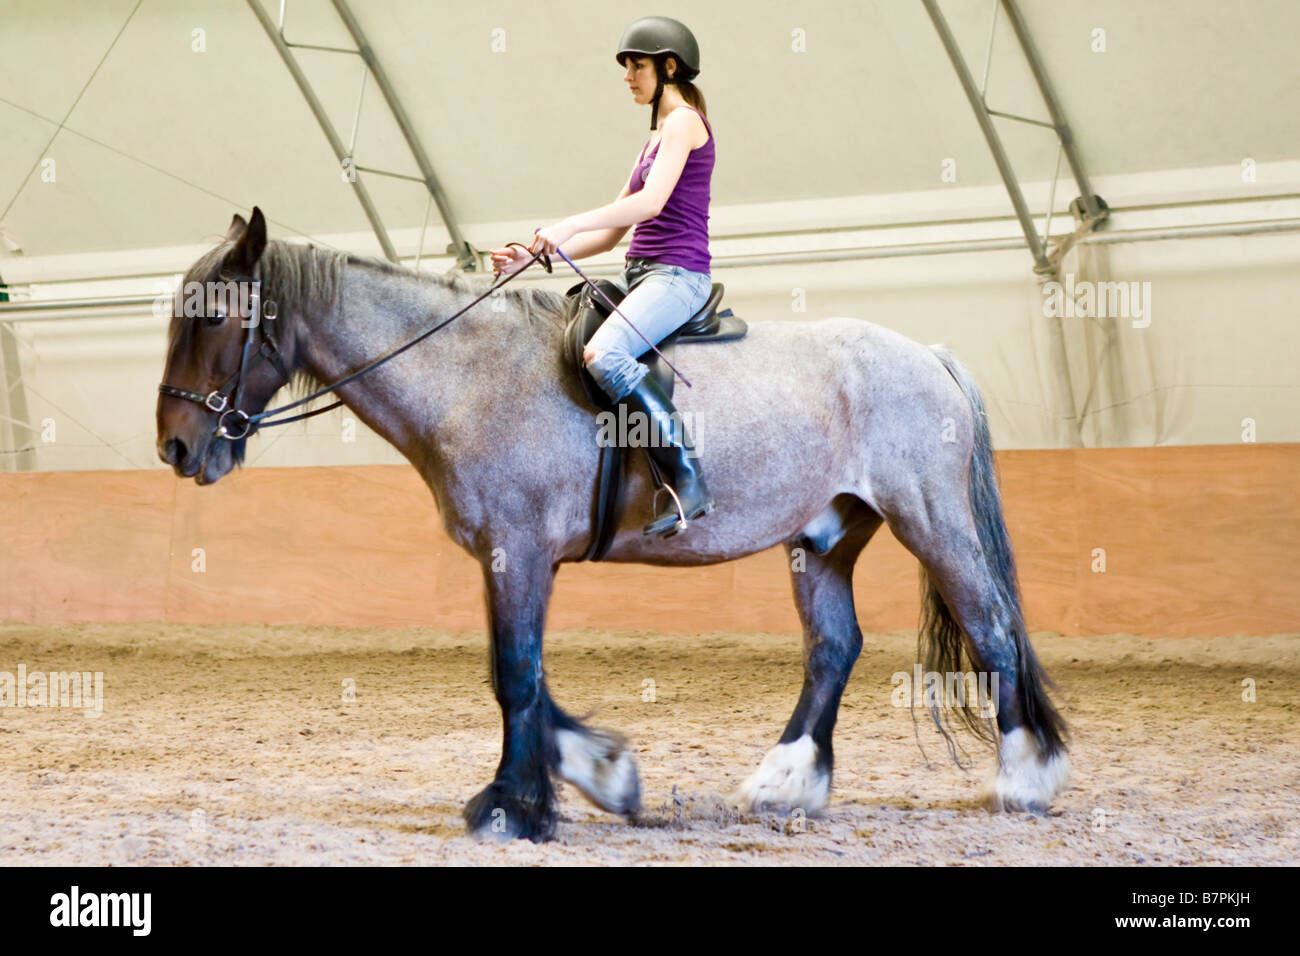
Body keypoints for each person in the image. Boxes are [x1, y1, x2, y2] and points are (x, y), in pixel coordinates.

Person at [490, 16, 716, 539]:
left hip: (678, 276)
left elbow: (650, 203)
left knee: (604, 353)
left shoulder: (683, 121)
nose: (628, 76)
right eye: (627, 67)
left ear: (669, 67)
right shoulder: (653, 140)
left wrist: (569, 223)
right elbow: (614, 232)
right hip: (642, 274)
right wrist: (531, 255)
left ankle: (688, 476)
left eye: (637, 65)